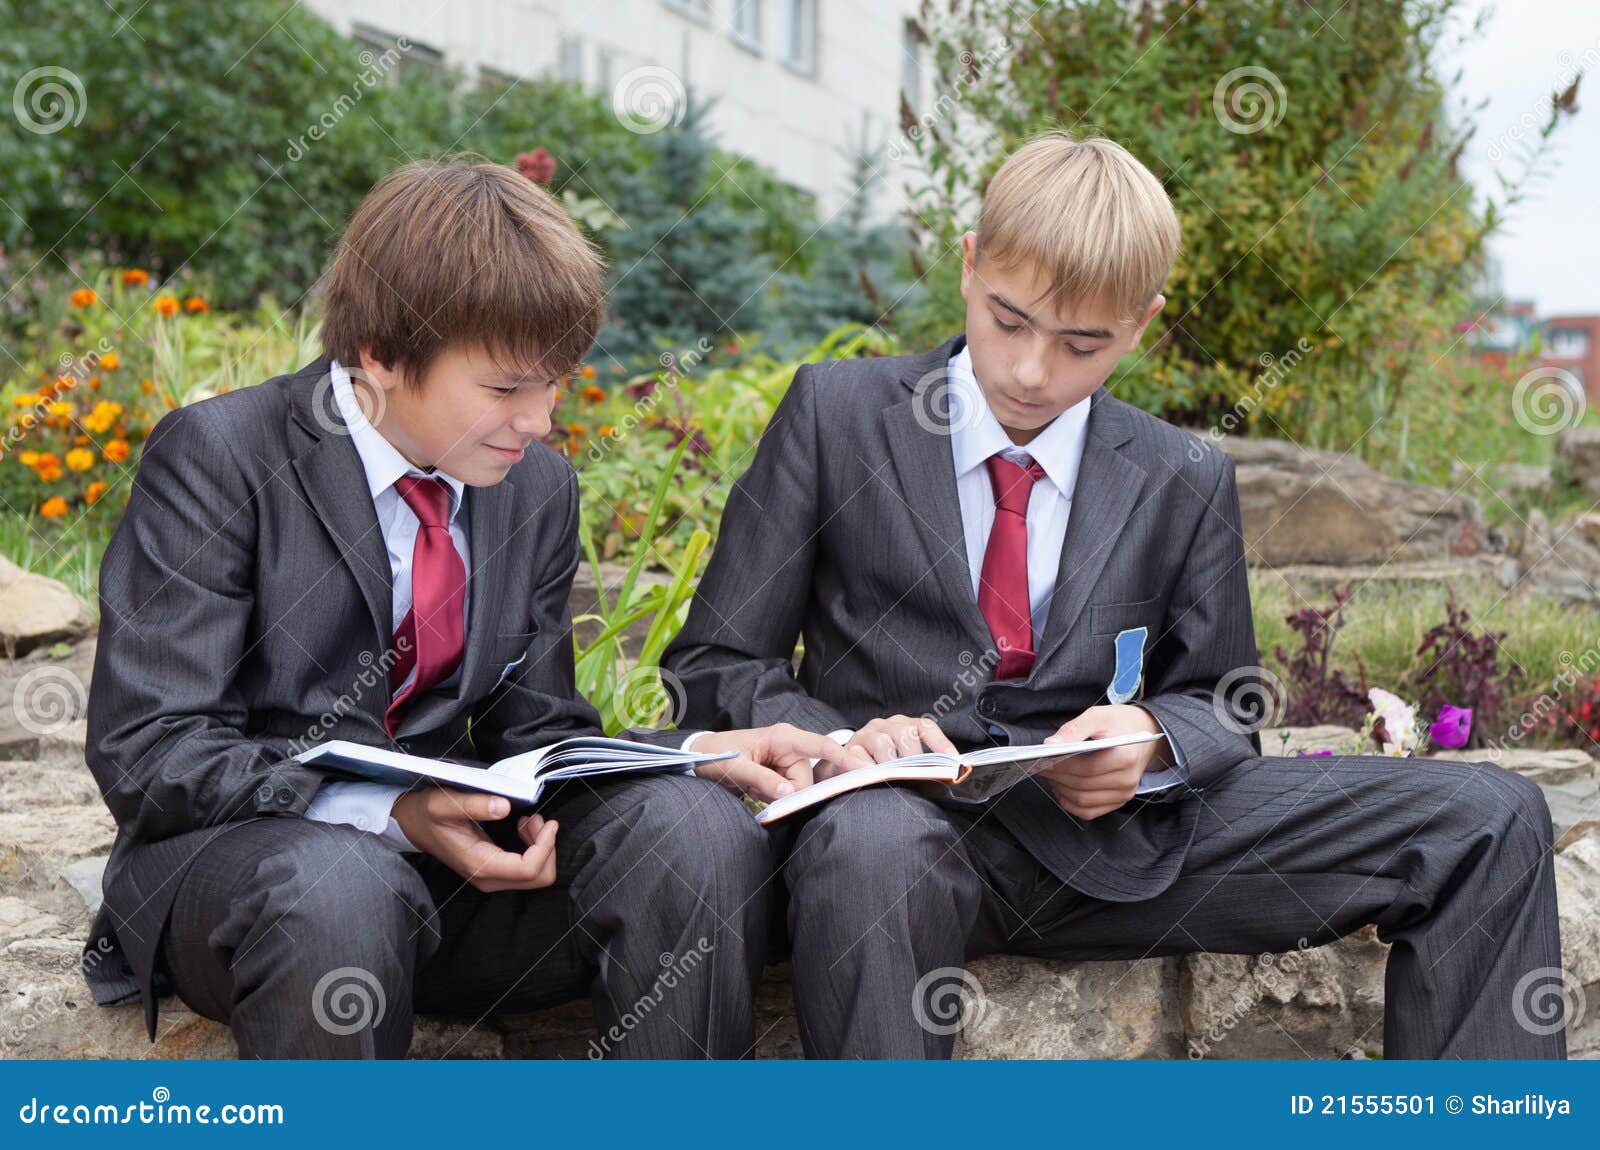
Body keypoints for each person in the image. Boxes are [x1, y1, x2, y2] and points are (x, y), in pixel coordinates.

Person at [663, 133, 1566, 1060]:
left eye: (1082, 344)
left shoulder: (1182, 472)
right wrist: (848, 741)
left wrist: (1152, 741)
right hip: (887, 840)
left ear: (1143, 324)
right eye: (1009, 321)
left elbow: (1225, 699)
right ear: (970, 267)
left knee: (1490, 818)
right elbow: (717, 668)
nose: (1029, 371)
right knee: (873, 850)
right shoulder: (835, 415)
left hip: (1119, 847)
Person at [83, 160, 848, 1059]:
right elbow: (152, 750)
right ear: (380, 353)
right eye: (506, 388)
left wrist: (692, 753)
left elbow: (541, 733)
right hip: (252, 875)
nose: (541, 420)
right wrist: (385, 810)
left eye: (555, 384)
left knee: (693, 830)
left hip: (451, 885)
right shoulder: (222, 458)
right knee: (338, 889)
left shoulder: (535, 490)